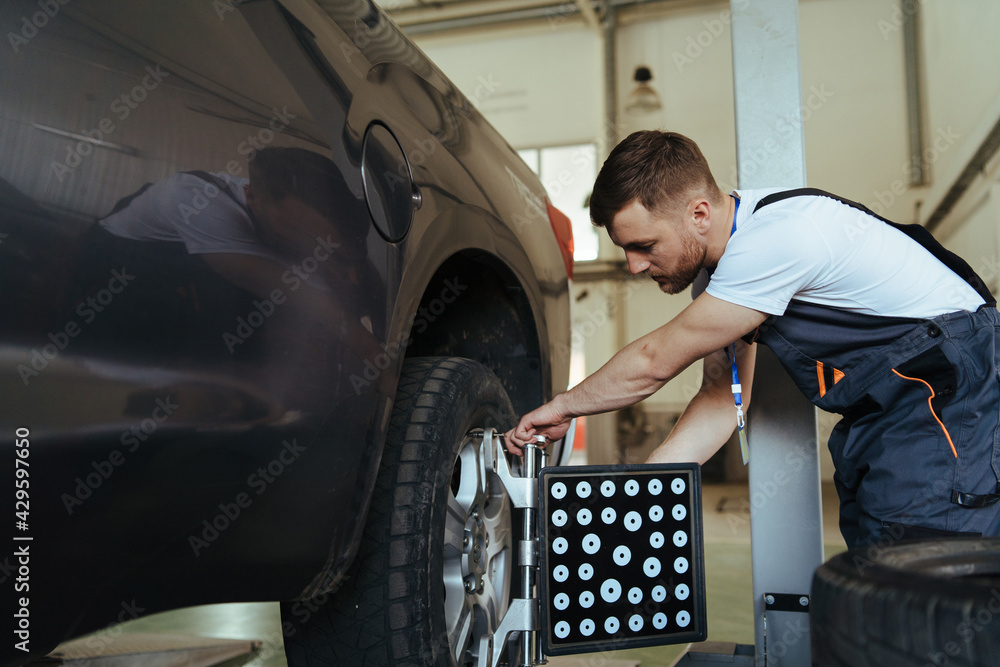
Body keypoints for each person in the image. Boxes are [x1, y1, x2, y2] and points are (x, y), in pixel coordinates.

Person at [507, 130, 1000, 547]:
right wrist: (642, 489)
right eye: (625, 249)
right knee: (876, 563)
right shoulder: (720, 276)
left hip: (948, 391)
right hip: (890, 410)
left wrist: (564, 407)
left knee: (923, 567)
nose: (634, 266)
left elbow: (656, 361)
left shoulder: (775, 239)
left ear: (699, 214)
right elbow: (721, 400)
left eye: (645, 245)